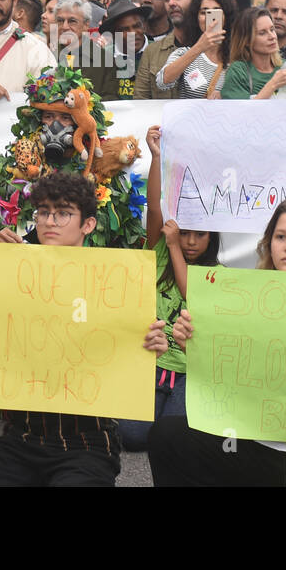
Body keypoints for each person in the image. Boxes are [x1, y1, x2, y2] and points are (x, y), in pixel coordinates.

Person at [0, 170, 168, 486]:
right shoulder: (10, 276)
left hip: (86, 443)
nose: (51, 221)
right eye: (44, 212)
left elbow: (124, 349)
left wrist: (150, 342)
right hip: (21, 438)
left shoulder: (113, 287)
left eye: (64, 213)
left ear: (88, 224)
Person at [147, 196, 286, 486]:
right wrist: (196, 348)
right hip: (249, 442)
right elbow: (233, 381)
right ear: (269, 243)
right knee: (167, 435)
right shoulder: (247, 301)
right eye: (280, 237)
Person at [116, 125, 220, 453]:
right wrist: (158, 157)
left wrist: (174, 246)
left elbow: (193, 295)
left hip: (189, 373)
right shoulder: (160, 251)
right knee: (131, 437)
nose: (190, 241)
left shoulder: (218, 274)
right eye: (184, 233)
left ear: (211, 237)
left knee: (175, 438)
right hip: (152, 363)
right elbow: (156, 208)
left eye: (199, 235)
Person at [156, 0, 234, 99]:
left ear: (226, 17)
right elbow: (162, 82)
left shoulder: (237, 55)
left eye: (216, 11)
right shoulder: (184, 53)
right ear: (196, 18)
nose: (210, 18)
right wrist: (199, 47)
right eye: (204, 12)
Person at [133, 0, 199, 99]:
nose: (171, 3)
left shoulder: (212, 48)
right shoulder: (152, 52)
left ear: (195, 1)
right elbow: (140, 101)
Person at [220, 6, 286, 99]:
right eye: (262, 33)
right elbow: (240, 112)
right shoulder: (238, 71)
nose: (272, 36)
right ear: (246, 41)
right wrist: (273, 84)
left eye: (272, 29)